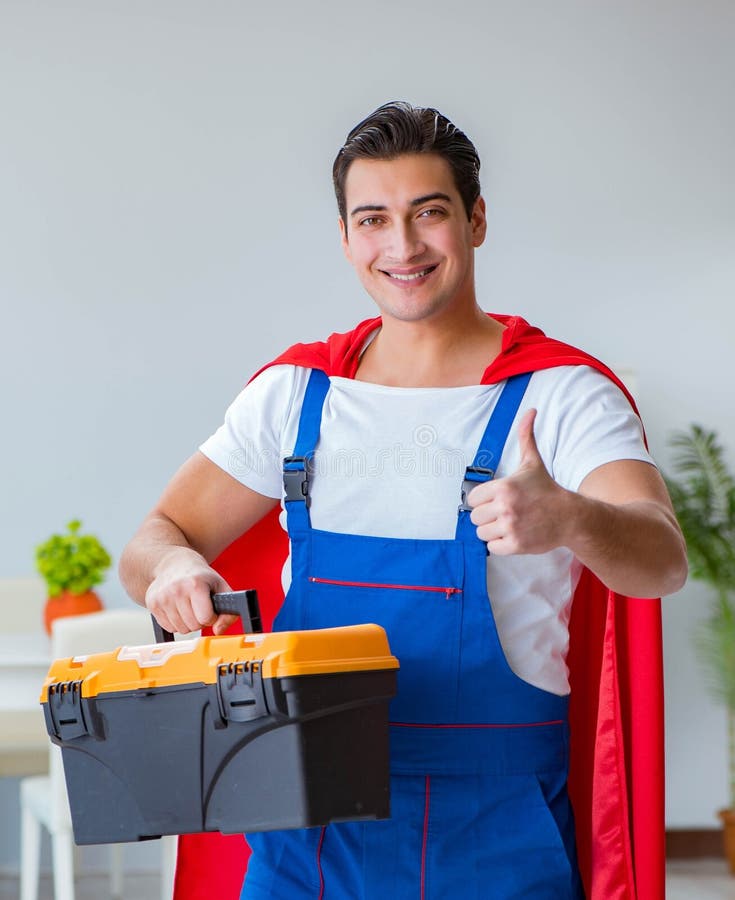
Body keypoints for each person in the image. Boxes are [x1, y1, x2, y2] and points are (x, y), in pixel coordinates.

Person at [120, 101, 687, 899]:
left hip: (495, 832)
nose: (403, 246)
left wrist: (567, 517)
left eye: (429, 213)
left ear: (475, 219)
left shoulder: (561, 396)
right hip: (301, 825)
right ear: (347, 238)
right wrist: (174, 564)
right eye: (374, 219)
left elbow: (661, 559)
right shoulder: (293, 396)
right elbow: (154, 537)